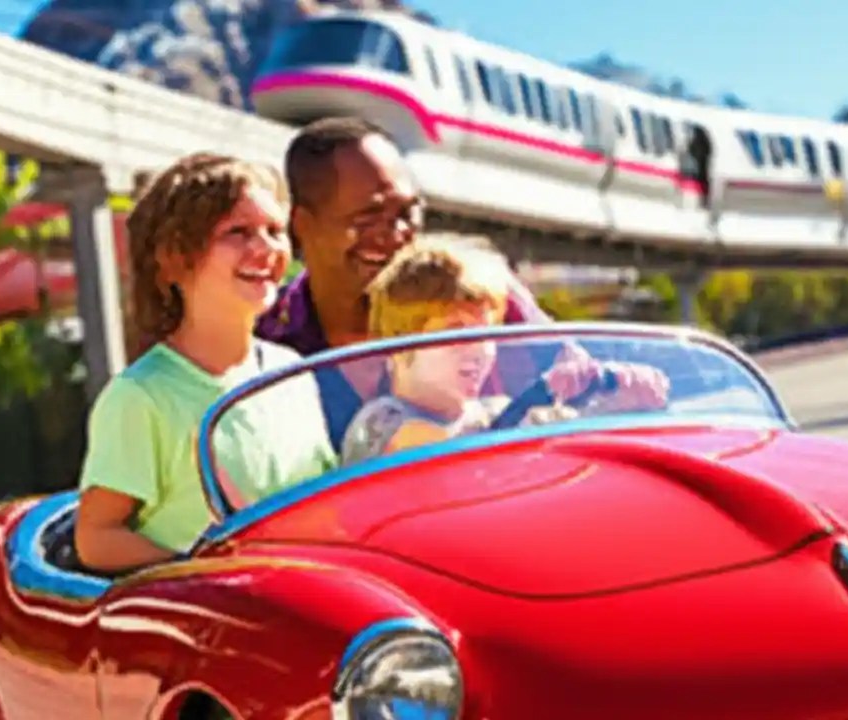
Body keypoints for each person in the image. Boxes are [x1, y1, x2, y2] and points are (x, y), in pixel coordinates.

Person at [74, 152, 337, 574]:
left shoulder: (293, 372)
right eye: (238, 232)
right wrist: (205, 574)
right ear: (173, 259)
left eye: (275, 230)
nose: (267, 248)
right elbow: (96, 539)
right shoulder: (141, 397)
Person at [254, 117, 560, 447]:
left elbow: (586, 384)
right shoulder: (265, 336)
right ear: (302, 224)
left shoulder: (486, 299)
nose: (398, 235)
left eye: (408, 213)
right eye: (369, 217)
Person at [339, 235, 670, 465]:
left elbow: (558, 427)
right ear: (400, 343)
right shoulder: (383, 423)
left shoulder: (490, 412)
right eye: (455, 332)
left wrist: (613, 387)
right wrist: (544, 392)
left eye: (486, 333)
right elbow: (468, 458)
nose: (478, 350)